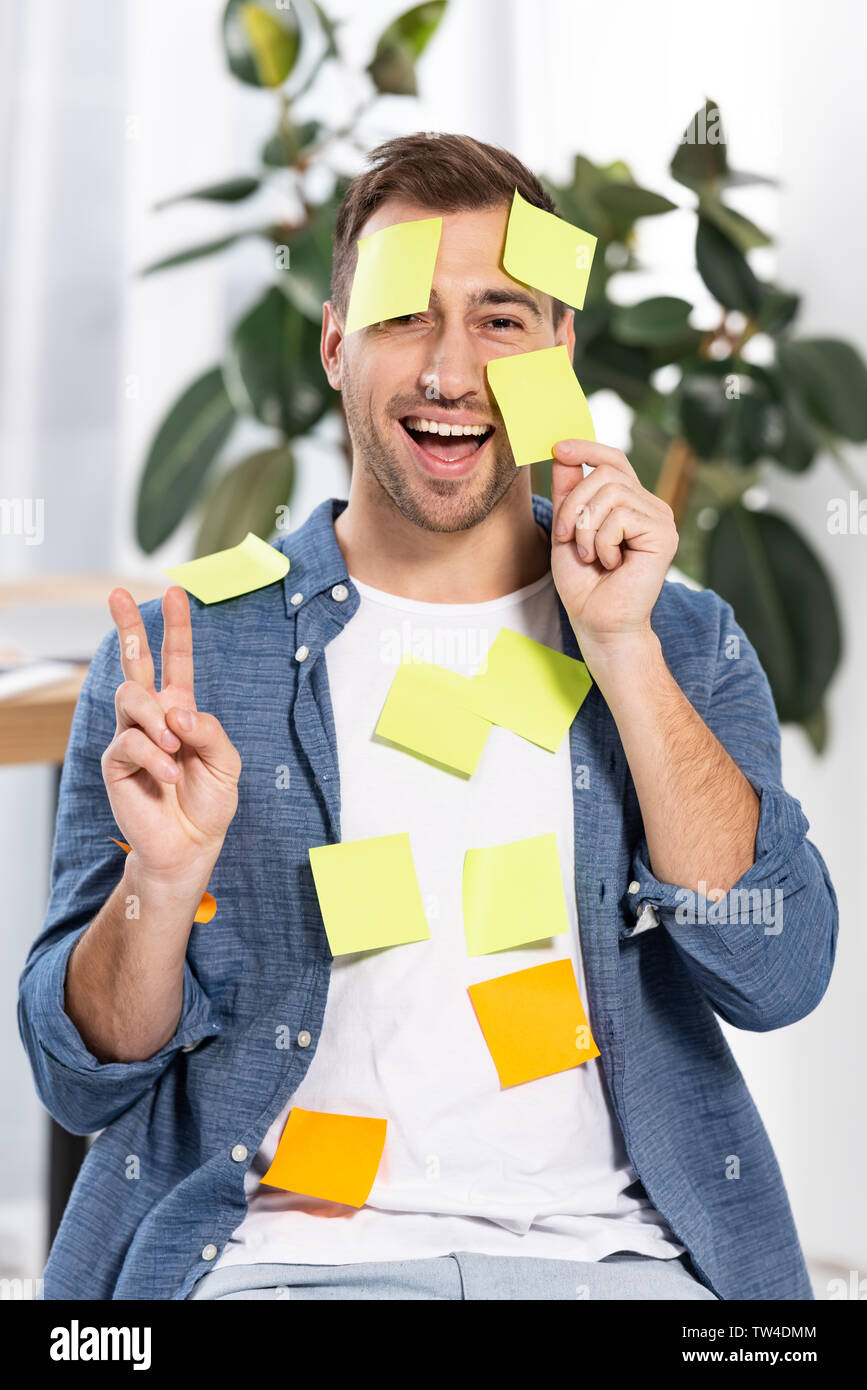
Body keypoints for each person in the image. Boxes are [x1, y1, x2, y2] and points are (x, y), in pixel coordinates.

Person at [19, 133, 837, 1302]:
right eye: (406, 317)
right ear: (336, 341)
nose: (450, 372)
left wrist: (622, 650)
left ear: (560, 351)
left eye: (502, 319)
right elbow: (77, 1075)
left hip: (619, 1261)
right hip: (277, 1264)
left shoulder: (681, 635)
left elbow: (779, 973)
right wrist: (160, 884)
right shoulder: (192, 650)